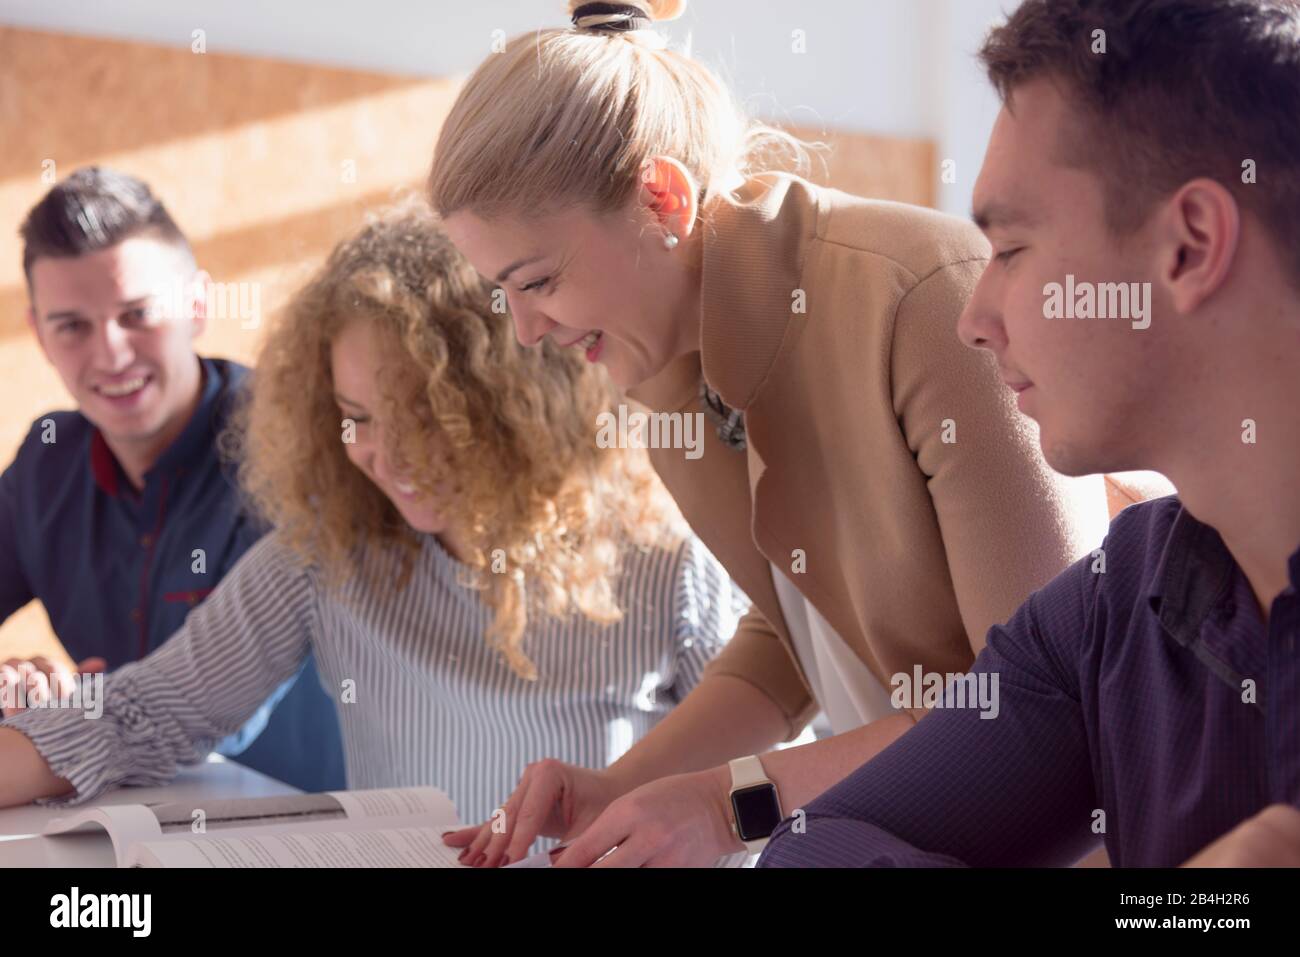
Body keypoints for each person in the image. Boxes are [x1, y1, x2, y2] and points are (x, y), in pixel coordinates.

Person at [430, 0, 1112, 866]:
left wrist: (733, 803)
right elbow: (797, 634)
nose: (527, 332)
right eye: (505, 293)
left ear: (663, 198)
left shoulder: (924, 298)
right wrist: (625, 785)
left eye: (539, 280)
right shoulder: (666, 380)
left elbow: (1034, 714)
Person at [0, 202, 748, 858]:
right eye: (356, 418)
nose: (383, 456)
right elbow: (148, 712)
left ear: (513, 403)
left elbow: (761, 796)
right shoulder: (325, 555)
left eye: (423, 416)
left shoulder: (667, 566)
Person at [760, 0, 1300, 868]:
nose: (975, 318)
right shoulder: (1114, 598)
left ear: (1192, 246)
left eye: (1010, 250)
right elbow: (813, 850)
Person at [0, 166, 343, 792]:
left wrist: (75, 702)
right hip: (113, 824)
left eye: (138, 314)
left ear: (196, 305)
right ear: (39, 337)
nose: (111, 353)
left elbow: (209, 711)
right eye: (72, 325)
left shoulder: (293, 449)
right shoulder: (45, 463)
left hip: (297, 823)